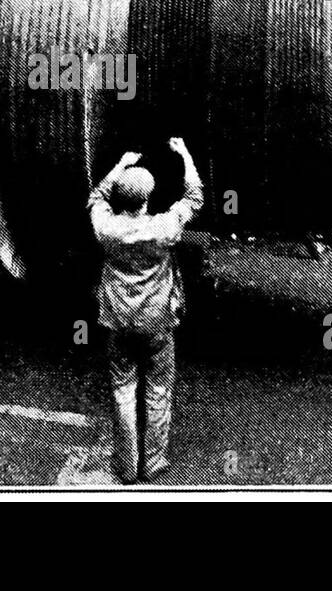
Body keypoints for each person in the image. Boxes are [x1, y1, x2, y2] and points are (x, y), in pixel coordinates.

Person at [87, 136, 203, 484]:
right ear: (148, 198)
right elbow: (194, 197)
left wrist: (121, 165)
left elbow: (96, 197)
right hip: (157, 323)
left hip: (117, 321)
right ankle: (152, 462)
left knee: (123, 391)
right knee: (157, 391)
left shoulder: (105, 227)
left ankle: (125, 467)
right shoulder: (163, 229)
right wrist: (184, 154)